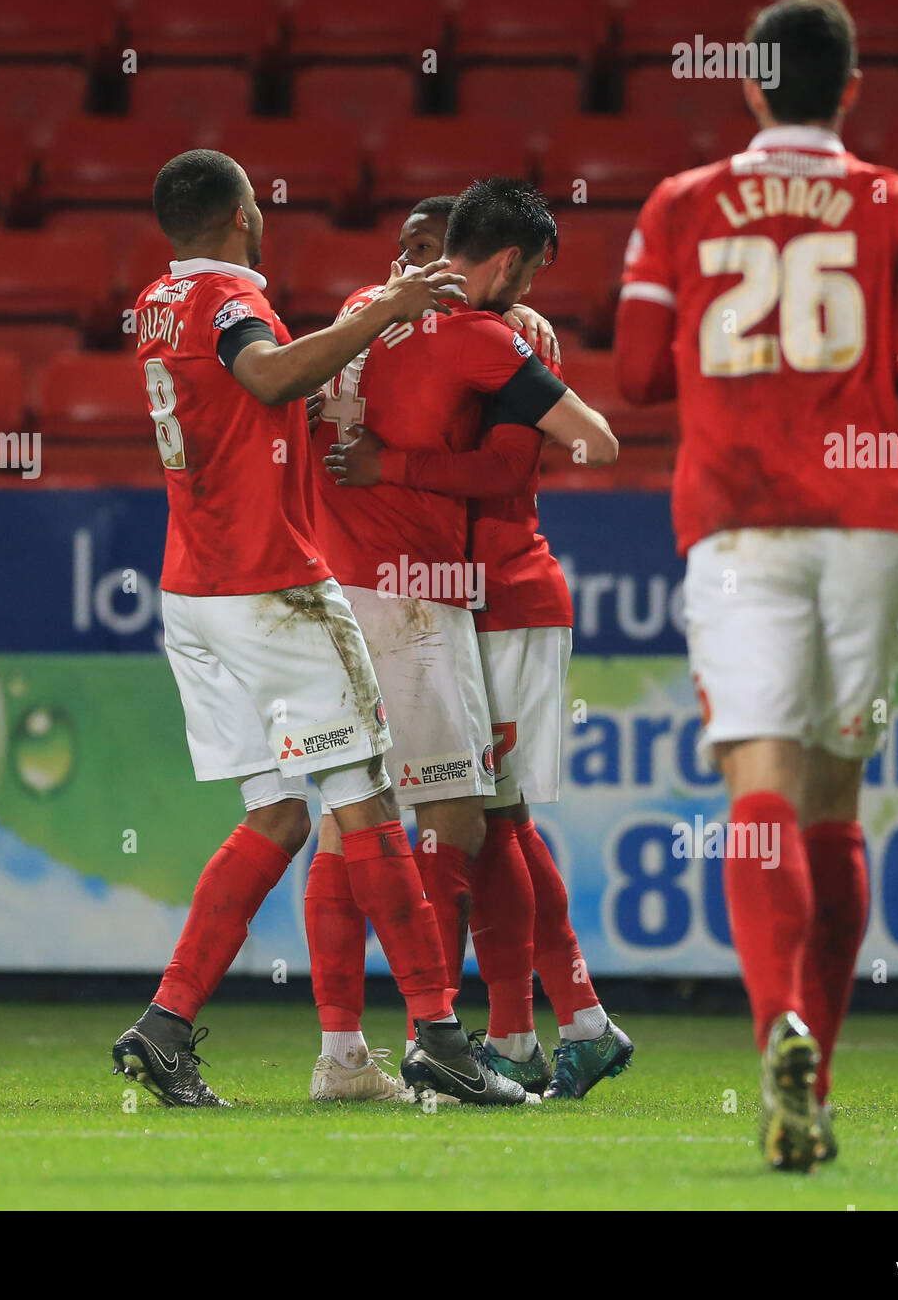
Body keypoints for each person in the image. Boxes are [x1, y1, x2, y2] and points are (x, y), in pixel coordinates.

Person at [614, 0, 898, 1169]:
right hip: (867, 521)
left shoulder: (679, 204)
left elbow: (629, 373)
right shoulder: (897, 200)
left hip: (735, 524)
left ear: (751, 86)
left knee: (757, 783)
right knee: (835, 799)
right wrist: (883, 386)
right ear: (852, 88)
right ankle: (812, 1061)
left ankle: (772, 1028)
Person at [112, 148, 533, 1108]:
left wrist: (363, 322)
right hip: (275, 590)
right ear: (242, 217)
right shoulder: (231, 306)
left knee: (280, 813)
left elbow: (250, 402)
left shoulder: (153, 304)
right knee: (370, 803)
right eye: (257, 202)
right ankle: (437, 1036)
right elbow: (263, 376)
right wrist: (387, 312)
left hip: (195, 595)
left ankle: (166, 1024)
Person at [305, 178, 620, 1105]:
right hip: (431, 596)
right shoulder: (491, 338)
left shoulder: (361, 312)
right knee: (477, 821)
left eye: (422, 245)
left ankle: (378, 1048)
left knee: (368, 820)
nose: (408, 262)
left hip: (366, 591)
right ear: (508, 263)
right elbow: (593, 442)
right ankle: (481, 1040)